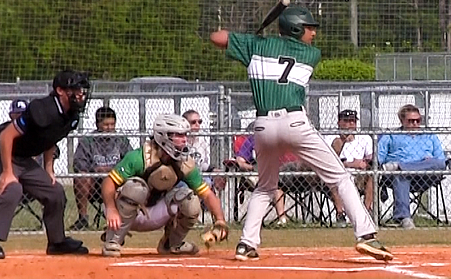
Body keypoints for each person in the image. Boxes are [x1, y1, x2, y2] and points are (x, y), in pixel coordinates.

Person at [208, 3, 392, 261]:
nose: (313, 33)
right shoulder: (310, 53)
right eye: (308, 28)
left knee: (265, 186)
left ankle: (247, 244)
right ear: (295, 29)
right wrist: (256, 42)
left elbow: (216, 37)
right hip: (294, 122)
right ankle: (366, 236)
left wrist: (248, 39)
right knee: (340, 177)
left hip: (262, 126)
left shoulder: (256, 46)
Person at [0, 70, 92, 259]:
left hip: (24, 158)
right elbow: (6, 135)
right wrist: (8, 173)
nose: (81, 94)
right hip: (2, 155)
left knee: (55, 191)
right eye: (75, 89)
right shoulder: (42, 109)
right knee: (13, 189)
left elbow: (52, 138)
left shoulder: (71, 115)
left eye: (81, 90)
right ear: (60, 90)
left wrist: (49, 169)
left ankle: (57, 242)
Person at [100, 113, 228, 256]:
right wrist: (111, 209)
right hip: (124, 213)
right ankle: (113, 240)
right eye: (179, 136)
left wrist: (220, 221)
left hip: (155, 213)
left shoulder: (185, 163)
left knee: (190, 200)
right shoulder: (138, 157)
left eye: (185, 135)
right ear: (163, 136)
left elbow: (207, 194)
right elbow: (108, 182)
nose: (184, 140)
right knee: (136, 188)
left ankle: (172, 244)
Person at [377, 103, 446, 229]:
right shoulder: (391, 135)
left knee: (439, 164)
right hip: (399, 177)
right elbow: (379, 157)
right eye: (411, 121)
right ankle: (404, 218)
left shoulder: (429, 136)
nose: (415, 124)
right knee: (401, 175)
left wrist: (430, 160)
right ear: (402, 121)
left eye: (418, 120)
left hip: (425, 175)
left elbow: (441, 160)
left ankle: (399, 166)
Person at [70, 106, 131, 230]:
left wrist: (113, 170)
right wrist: (96, 170)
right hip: (94, 183)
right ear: (97, 124)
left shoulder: (121, 140)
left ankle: (121, 220)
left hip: (116, 181)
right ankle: (83, 219)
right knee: (81, 177)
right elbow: (79, 163)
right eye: (106, 125)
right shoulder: (87, 141)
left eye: (112, 124)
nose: (110, 128)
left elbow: (130, 161)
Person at [229, 123, 289, 226]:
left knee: (276, 185)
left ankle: (282, 219)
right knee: (273, 186)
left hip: (275, 172)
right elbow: (240, 161)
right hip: (255, 173)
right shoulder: (251, 141)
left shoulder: (274, 141)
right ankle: (276, 218)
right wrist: (252, 168)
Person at [325, 108, 375, 226]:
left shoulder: (365, 138)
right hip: (339, 174)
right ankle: (340, 214)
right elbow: (328, 162)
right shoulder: (330, 137)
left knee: (372, 174)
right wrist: (351, 164)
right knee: (335, 176)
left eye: (352, 121)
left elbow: (371, 159)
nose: (350, 124)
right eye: (346, 121)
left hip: (359, 176)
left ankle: (367, 212)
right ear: (339, 123)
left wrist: (364, 164)